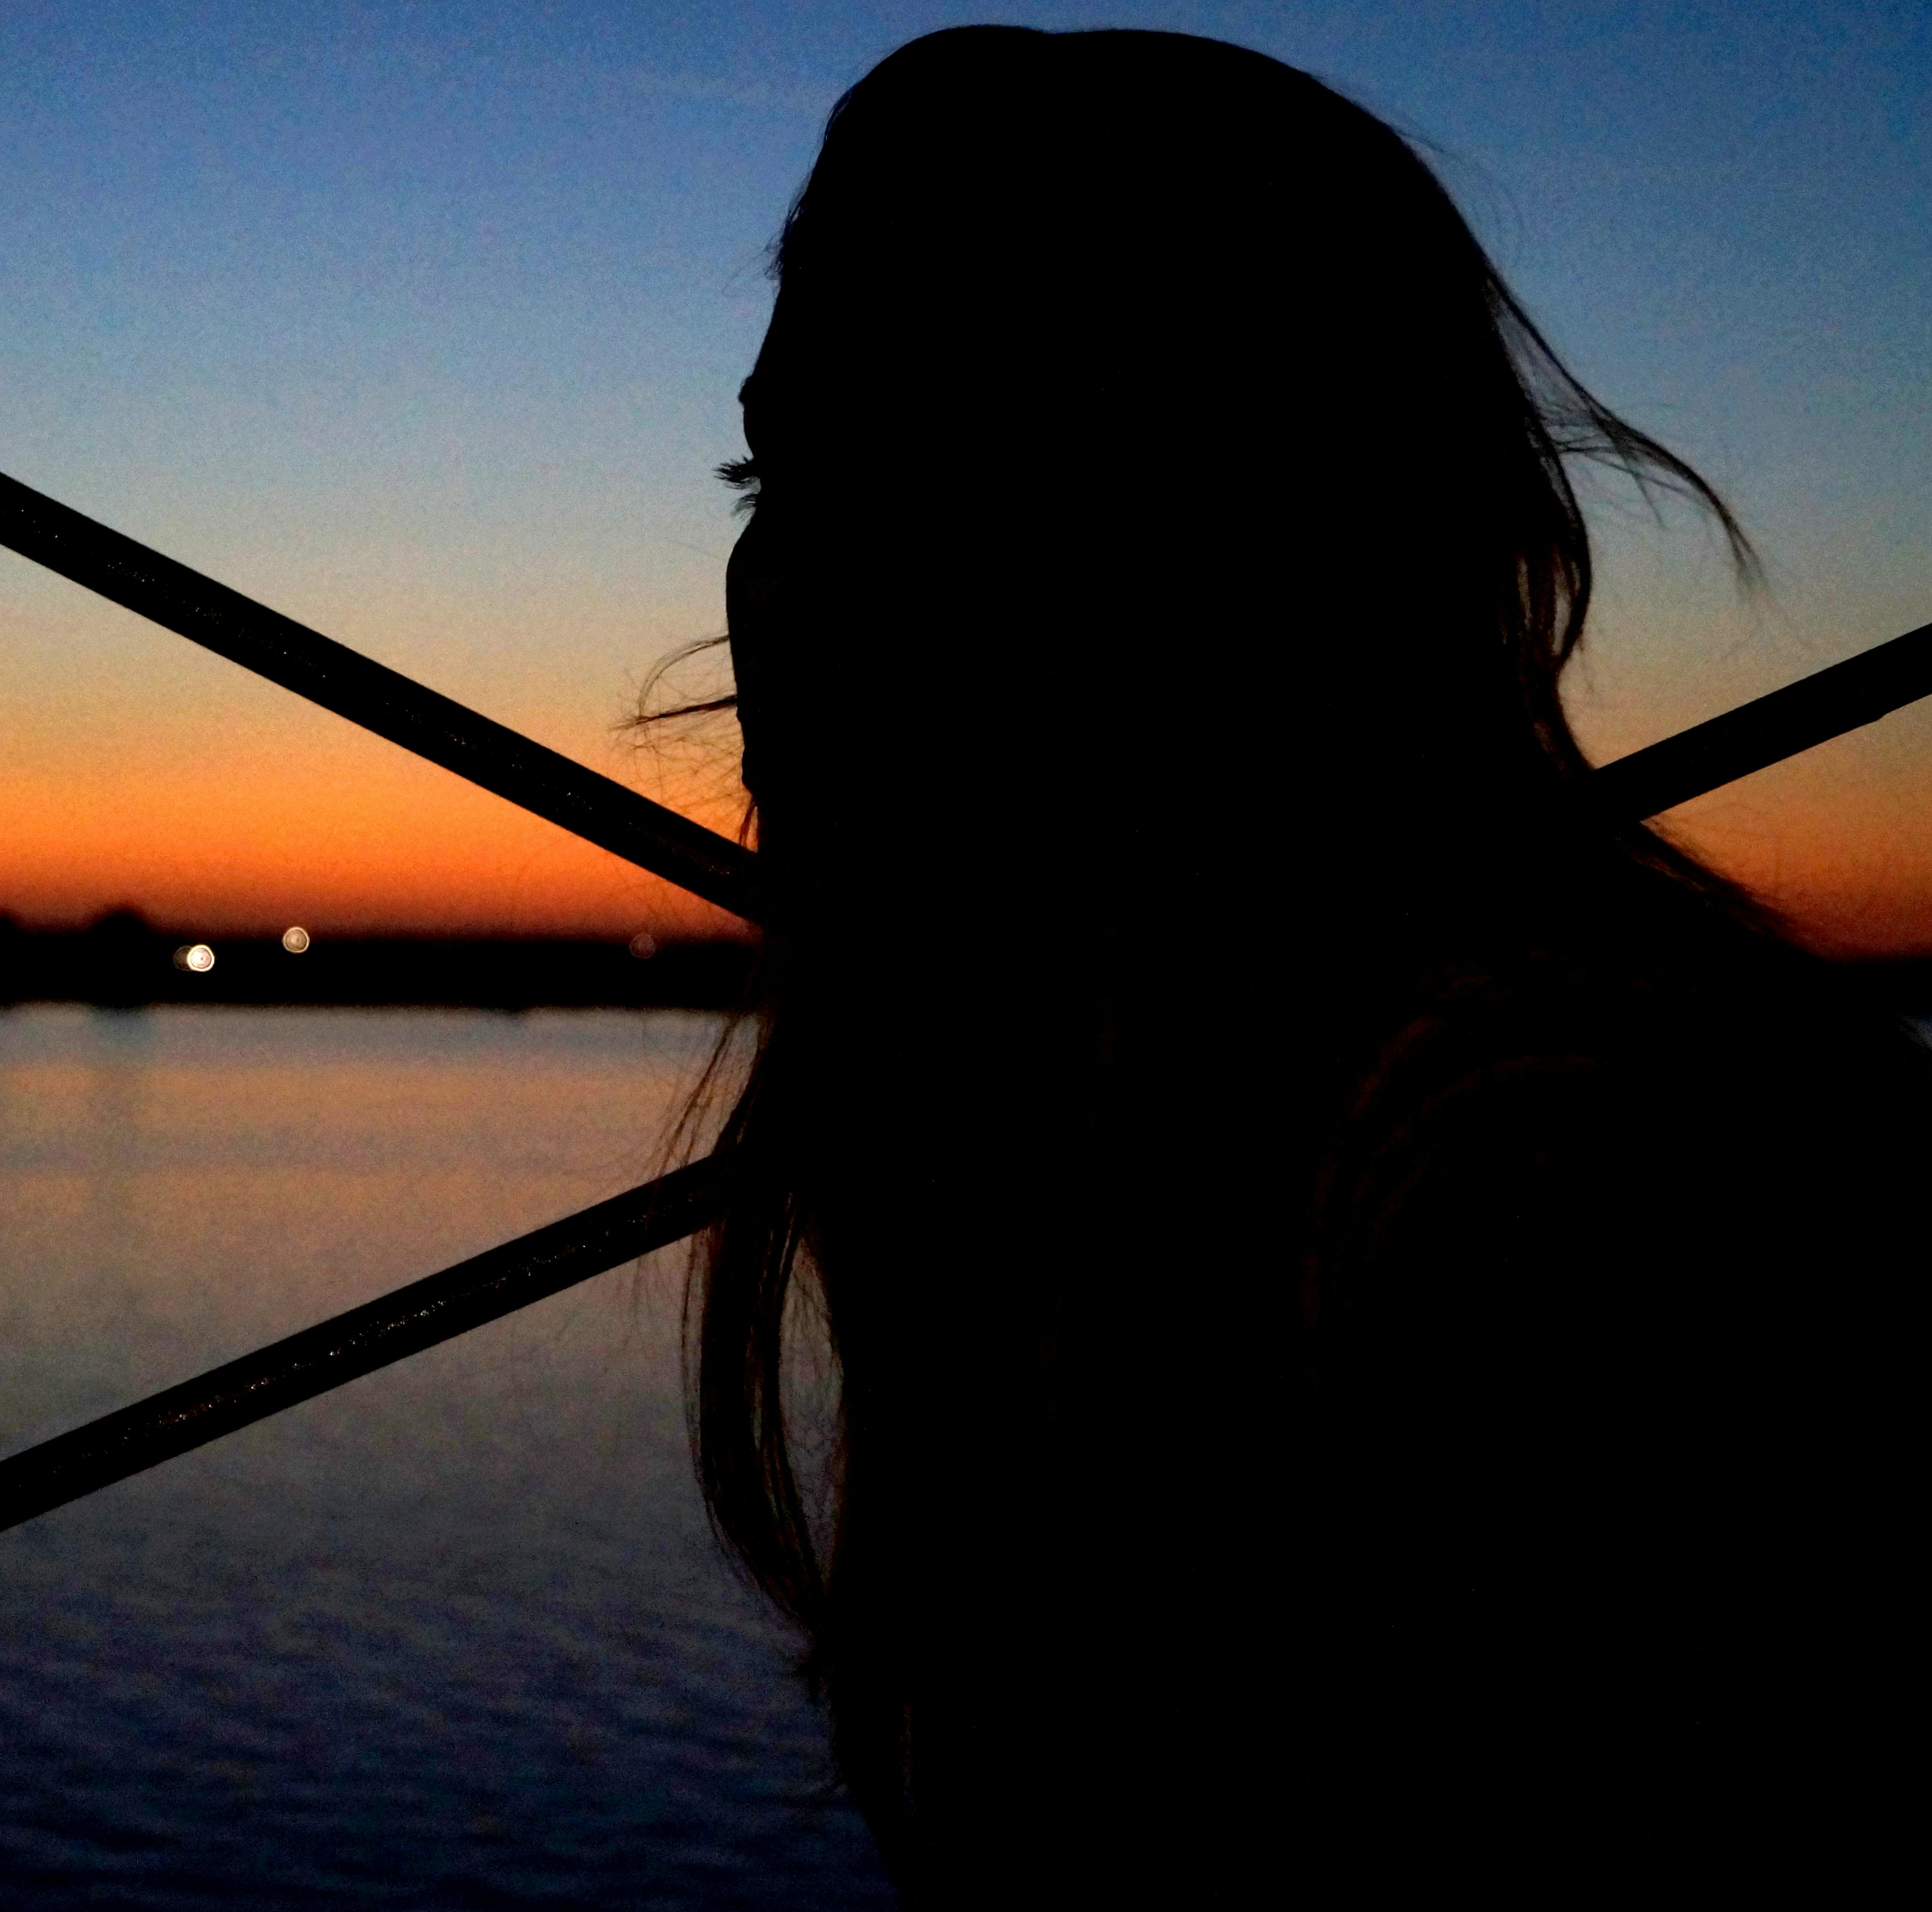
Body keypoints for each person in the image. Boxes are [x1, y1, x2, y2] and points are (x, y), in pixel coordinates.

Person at [666, 25, 1929, 1901]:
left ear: (1241, 520)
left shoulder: (1542, 1178)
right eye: (772, 478)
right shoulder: (1111, 1112)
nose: (782, 587)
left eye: (937, 463)